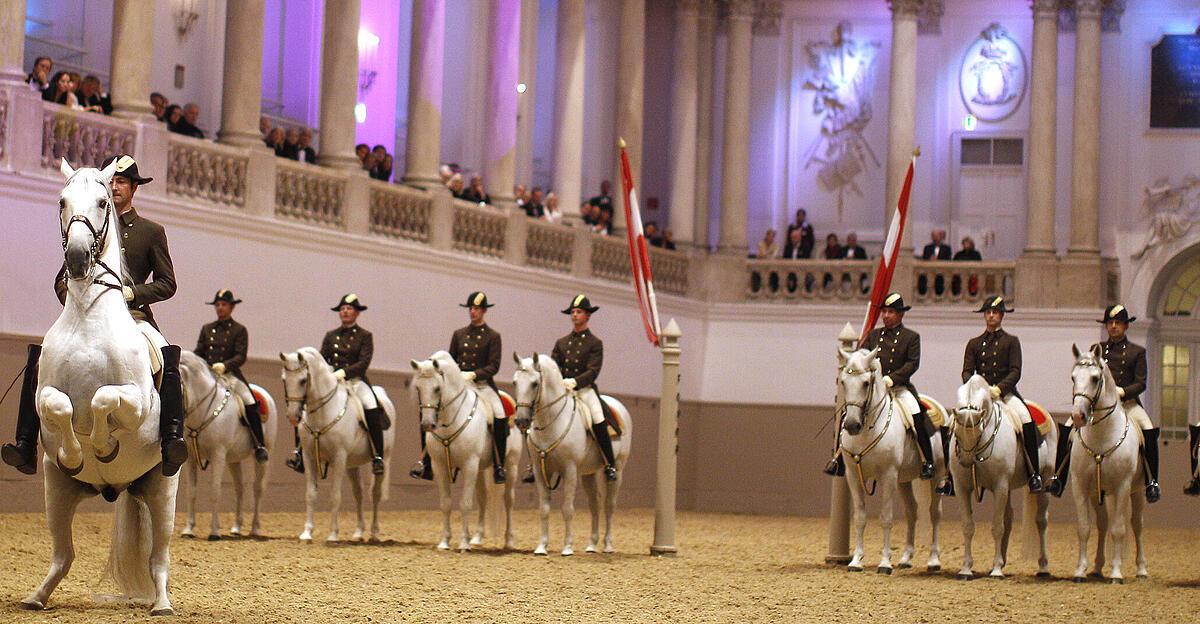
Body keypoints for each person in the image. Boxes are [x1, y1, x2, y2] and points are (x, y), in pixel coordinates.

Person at [4, 155, 187, 477]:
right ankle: (25, 443)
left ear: (133, 188)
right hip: (84, 315)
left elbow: (167, 283)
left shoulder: (150, 231)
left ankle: (172, 439)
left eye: (122, 182)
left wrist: (131, 294)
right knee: (41, 355)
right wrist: (75, 300)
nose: (115, 187)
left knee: (165, 354)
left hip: (134, 317)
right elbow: (61, 279)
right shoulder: (88, 224)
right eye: (111, 182)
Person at [826, 294, 951, 493]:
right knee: (849, 411)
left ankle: (926, 460)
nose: (886, 315)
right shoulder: (873, 336)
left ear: (900, 315)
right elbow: (861, 359)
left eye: (890, 312)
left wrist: (892, 378)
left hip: (899, 389)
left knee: (916, 416)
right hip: (874, 390)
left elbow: (912, 364)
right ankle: (839, 457)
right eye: (884, 311)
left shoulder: (911, 337)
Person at [1047, 306, 1160, 502]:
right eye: (1110, 323)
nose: (1114, 326)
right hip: (1098, 406)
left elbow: (1141, 382)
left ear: (1125, 326)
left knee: (1148, 430)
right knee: (1068, 428)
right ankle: (1059, 477)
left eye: (1118, 323)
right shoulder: (1096, 349)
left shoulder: (1136, 352)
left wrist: (1123, 392)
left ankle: (1152, 482)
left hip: (1127, 404)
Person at [413, 292, 508, 483]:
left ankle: (499, 465)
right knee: (429, 410)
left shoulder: (493, 336)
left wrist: (475, 374)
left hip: (482, 386)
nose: (473, 312)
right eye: (471, 308)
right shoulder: (459, 334)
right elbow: (450, 361)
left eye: (477, 309)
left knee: (499, 414)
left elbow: (494, 366)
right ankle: (426, 462)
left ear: (484, 311)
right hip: (460, 386)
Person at [288, 295, 387, 475]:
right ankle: (299, 454)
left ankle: (377, 455)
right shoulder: (331, 335)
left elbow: (364, 362)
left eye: (349, 309)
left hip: (355, 382)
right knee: (306, 406)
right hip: (332, 382)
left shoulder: (365, 336)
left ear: (356, 313)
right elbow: (321, 360)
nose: (345, 312)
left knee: (370, 405)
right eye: (342, 309)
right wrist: (327, 375)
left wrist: (344, 372)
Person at [962, 296, 1043, 493]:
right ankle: (950, 474)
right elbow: (966, 371)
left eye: (995, 312)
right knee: (956, 422)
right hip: (980, 397)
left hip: (1005, 395)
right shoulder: (974, 343)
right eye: (988, 312)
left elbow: (1015, 371)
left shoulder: (1011, 341)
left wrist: (999, 389)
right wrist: (975, 386)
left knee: (1026, 419)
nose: (991, 316)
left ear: (1001, 316)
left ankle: (1034, 473)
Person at [541, 295, 618, 481]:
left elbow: (593, 371)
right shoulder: (561, 342)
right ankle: (535, 462)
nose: (575, 315)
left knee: (598, 418)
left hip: (584, 390)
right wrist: (559, 382)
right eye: (573, 312)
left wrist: (575, 382)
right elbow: (554, 367)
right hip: (563, 391)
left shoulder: (595, 343)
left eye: (579, 312)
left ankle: (609, 463)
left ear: (587, 316)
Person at [194, 290, 268, 463]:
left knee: (249, 402)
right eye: (217, 305)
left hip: (230, 376)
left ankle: (259, 444)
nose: (220, 308)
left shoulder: (239, 330)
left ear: (231, 307)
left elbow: (241, 356)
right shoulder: (207, 329)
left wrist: (225, 365)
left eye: (224, 304)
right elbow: (199, 352)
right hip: (209, 376)